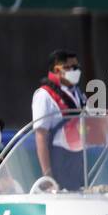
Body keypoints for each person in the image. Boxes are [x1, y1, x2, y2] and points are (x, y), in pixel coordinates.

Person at [31, 48, 88, 190]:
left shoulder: (77, 93)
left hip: (78, 156)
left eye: (77, 67)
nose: (75, 71)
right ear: (57, 70)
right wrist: (47, 175)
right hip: (58, 158)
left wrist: (105, 115)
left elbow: (87, 116)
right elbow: (40, 135)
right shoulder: (44, 95)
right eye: (70, 68)